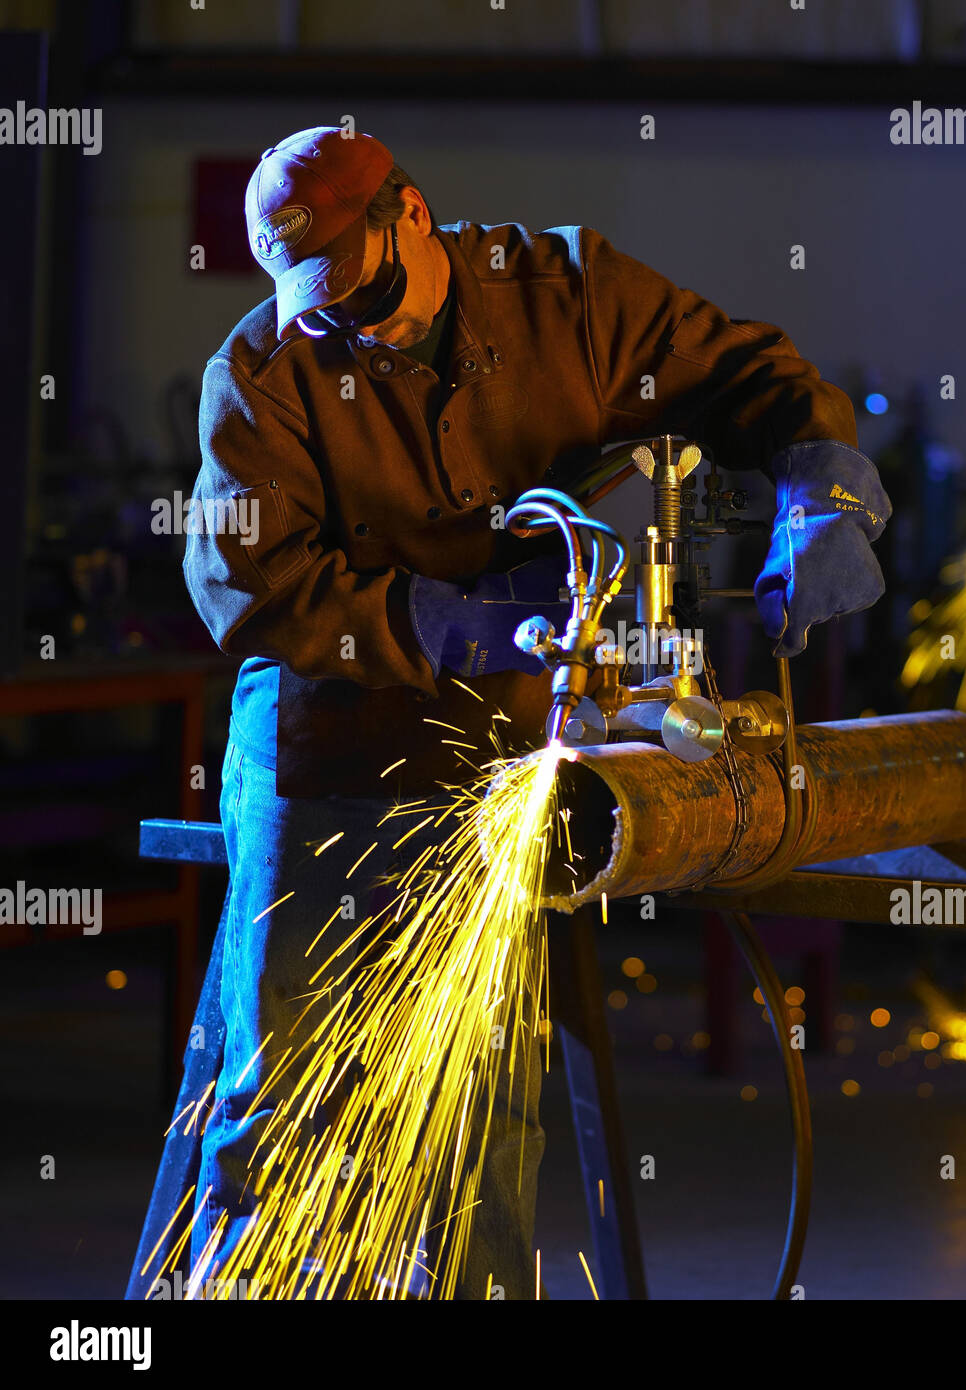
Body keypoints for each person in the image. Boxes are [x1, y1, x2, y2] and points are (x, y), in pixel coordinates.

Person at [179, 125, 891, 1297]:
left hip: (502, 752)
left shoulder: (568, 296)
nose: (361, 325)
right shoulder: (262, 371)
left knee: (477, 1105)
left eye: (373, 292)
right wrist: (448, 623)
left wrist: (821, 487)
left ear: (412, 212)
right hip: (327, 750)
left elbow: (745, 372)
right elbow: (248, 585)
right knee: (286, 1094)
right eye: (329, 310)